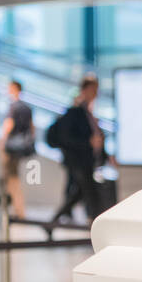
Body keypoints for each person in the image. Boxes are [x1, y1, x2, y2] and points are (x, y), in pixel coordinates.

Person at [51, 74, 106, 224]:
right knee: (89, 192)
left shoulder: (88, 112)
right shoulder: (75, 111)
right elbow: (67, 138)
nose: (96, 94)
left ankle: (54, 221)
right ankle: (95, 222)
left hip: (86, 160)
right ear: (86, 89)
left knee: (80, 192)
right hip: (77, 160)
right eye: (94, 90)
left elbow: (97, 136)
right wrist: (88, 142)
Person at [0, 80, 35, 219]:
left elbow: (9, 124)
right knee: (13, 177)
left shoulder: (13, 107)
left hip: (11, 146)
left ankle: (18, 209)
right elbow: (32, 128)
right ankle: (17, 208)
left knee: (11, 178)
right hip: (21, 147)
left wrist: (3, 141)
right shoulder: (27, 107)